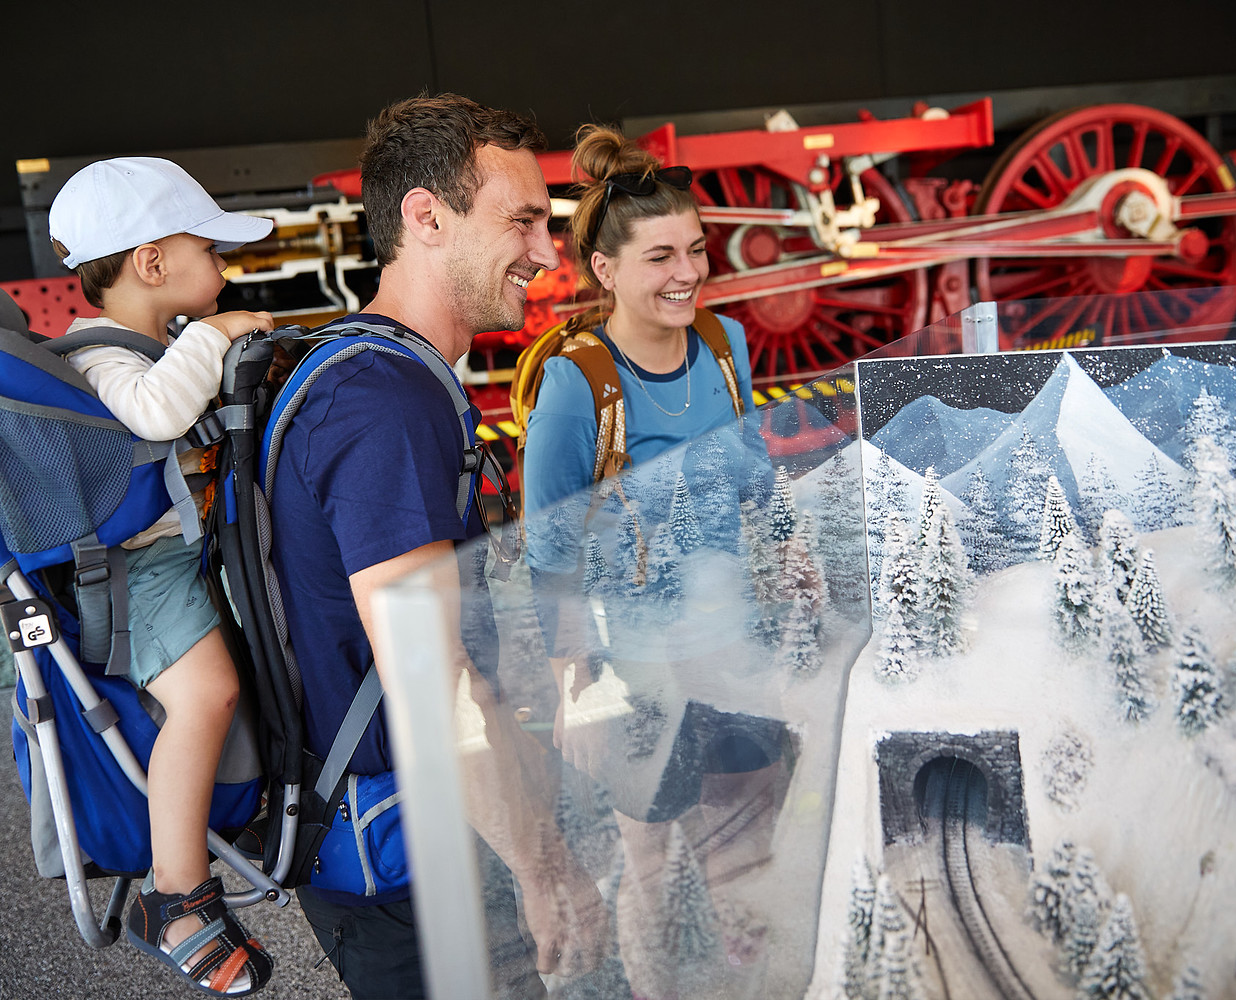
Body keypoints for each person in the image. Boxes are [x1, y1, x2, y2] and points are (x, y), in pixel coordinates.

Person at [266, 93, 606, 1000]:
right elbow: (430, 678)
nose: (545, 252)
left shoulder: (364, 371)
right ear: (427, 216)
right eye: (524, 221)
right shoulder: (383, 404)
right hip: (410, 863)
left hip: (420, 835)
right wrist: (543, 870)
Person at [523, 125, 788, 998]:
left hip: (732, 637)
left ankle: (754, 979)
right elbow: (550, 553)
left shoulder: (726, 345)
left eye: (698, 250)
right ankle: (657, 986)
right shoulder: (579, 382)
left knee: (745, 842)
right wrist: (573, 686)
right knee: (650, 858)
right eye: (661, 256)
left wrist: (789, 551)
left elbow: (752, 482)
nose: (688, 273)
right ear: (604, 271)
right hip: (637, 660)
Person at [47, 156, 277, 997]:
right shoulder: (99, 360)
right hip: (141, 574)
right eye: (210, 246)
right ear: (151, 262)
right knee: (206, 694)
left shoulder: (153, 346)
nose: (223, 267)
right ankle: (175, 896)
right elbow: (153, 414)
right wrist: (217, 336)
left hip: (182, 556)